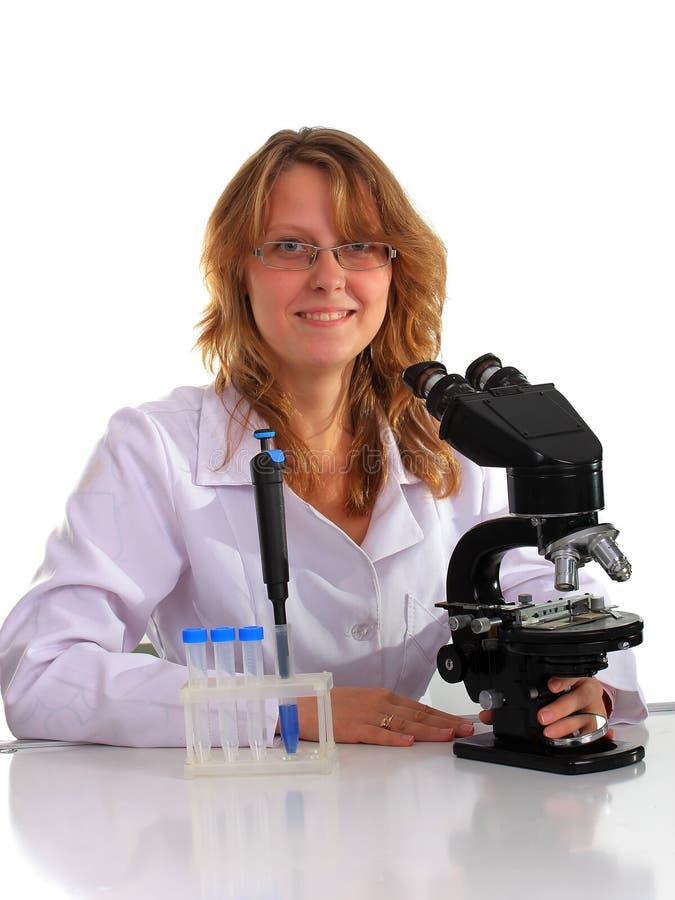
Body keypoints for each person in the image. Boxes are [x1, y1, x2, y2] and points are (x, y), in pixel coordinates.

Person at [0, 127, 646, 748]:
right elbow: (43, 675)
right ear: (238, 271)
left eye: (359, 245)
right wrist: (287, 709)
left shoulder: (453, 445)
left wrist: (585, 691)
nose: (329, 277)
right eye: (290, 246)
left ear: (394, 270)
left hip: (416, 809)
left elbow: (547, 594)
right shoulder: (156, 448)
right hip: (233, 812)